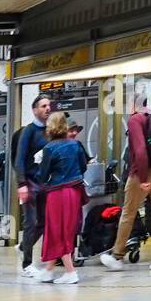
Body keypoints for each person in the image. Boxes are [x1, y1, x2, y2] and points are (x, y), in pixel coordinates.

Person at [100, 94, 151, 271]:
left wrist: (142, 179)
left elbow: (140, 151)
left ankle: (117, 256)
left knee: (128, 213)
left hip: (144, 171)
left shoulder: (135, 120)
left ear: (133, 105)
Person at [33, 112, 89, 284]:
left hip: (57, 193)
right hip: (75, 191)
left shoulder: (49, 148)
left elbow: (43, 175)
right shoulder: (76, 145)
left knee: (57, 230)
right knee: (63, 229)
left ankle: (70, 272)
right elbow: (83, 167)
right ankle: (49, 270)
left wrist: (39, 164)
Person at [15, 94, 52, 276]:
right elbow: (19, 158)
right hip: (29, 182)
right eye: (43, 106)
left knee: (43, 222)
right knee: (31, 222)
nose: (47, 109)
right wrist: (21, 183)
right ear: (35, 109)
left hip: (44, 182)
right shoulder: (28, 131)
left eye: (48, 105)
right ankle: (27, 264)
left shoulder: (49, 131)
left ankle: (24, 245)